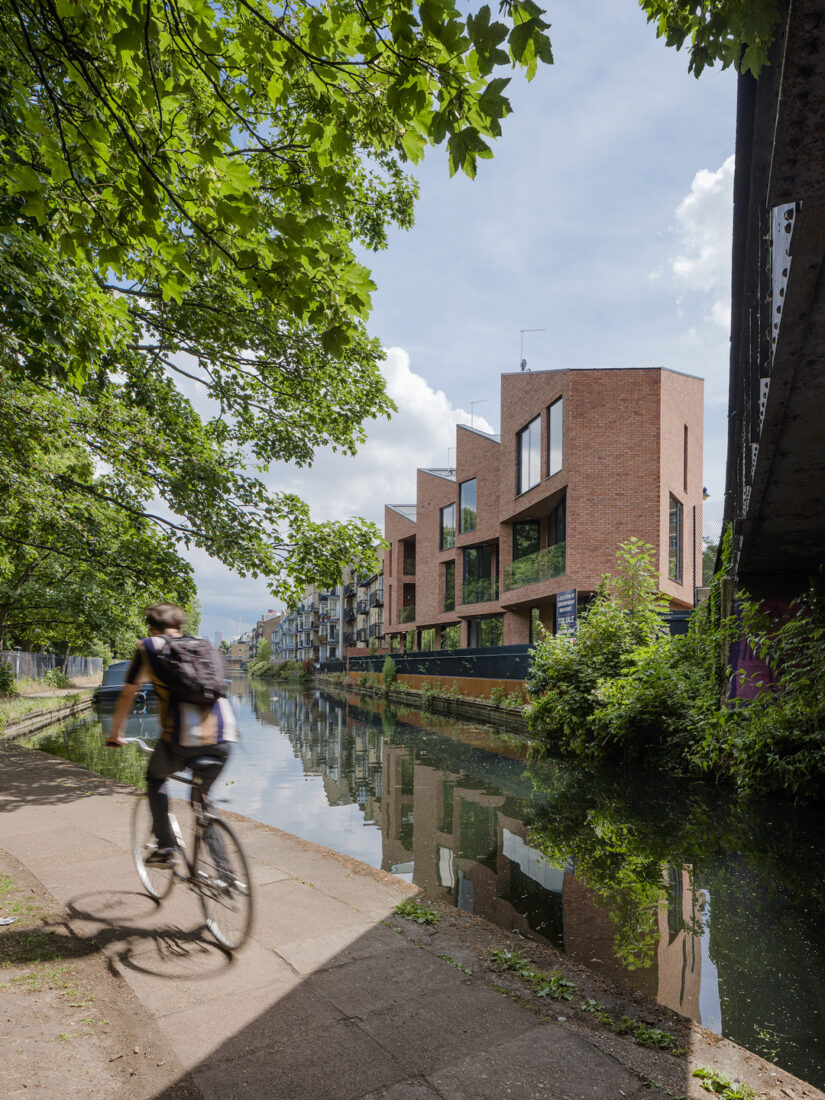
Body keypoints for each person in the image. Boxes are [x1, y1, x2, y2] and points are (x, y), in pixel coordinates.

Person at [106, 603, 236, 865]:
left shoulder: (148, 646)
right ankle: (225, 873)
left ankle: (167, 848)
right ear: (180, 625)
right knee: (202, 801)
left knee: (155, 778)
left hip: (182, 738)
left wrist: (116, 734)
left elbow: (128, 694)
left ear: (152, 627)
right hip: (224, 736)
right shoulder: (203, 644)